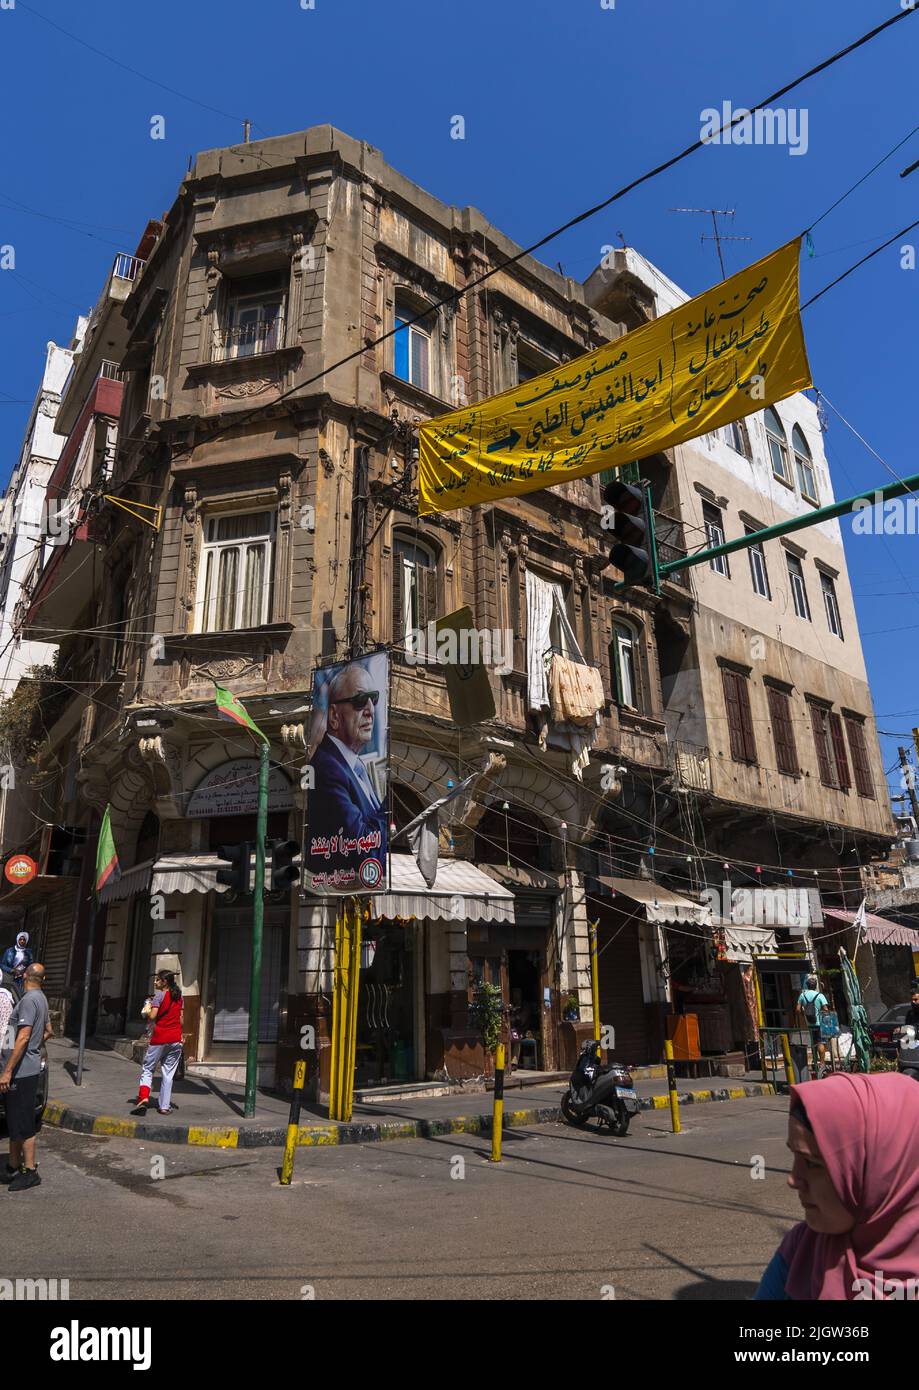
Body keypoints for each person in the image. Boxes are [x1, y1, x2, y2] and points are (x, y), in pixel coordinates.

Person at [755, 1072, 919, 1299]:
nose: (793, 1179)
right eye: (794, 1156)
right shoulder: (800, 1254)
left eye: (813, 1163)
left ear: (883, 1171)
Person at [307, 662, 388, 885]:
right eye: (360, 700)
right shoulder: (328, 769)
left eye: (373, 699)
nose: (371, 711)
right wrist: (388, 807)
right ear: (334, 716)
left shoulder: (356, 765)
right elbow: (366, 851)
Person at [0, 962, 52, 1192]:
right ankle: (13, 1166)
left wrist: (8, 1069)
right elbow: (48, 1031)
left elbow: (22, 1036)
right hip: (22, 1067)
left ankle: (30, 1171)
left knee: (23, 1123)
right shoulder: (40, 999)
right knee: (14, 1121)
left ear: (24, 977)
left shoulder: (29, 1000)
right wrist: (32, 1048)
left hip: (21, 1072)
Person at [131, 971, 184, 1117]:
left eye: (157, 980)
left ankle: (143, 1098)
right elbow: (181, 1021)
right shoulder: (179, 997)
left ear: (164, 982)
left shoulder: (159, 996)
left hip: (160, 1038)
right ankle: (164, 1107)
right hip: (175, 1038)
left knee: (148, 1068)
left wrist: (147, 1008)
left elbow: (153, 1016)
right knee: (168, 1074)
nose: (155, 982)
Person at [795, 972, 829, 1069]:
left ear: (807, 985)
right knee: (821, 1042)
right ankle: (822, 1063)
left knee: (813, 1043)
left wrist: (803, 1015)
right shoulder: (820, 995)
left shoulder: (802, 995)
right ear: (815, 986)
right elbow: (825, 1009)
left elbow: (797, 1009)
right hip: (819, 1023)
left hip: (809, 1023)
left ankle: (814, 1061)